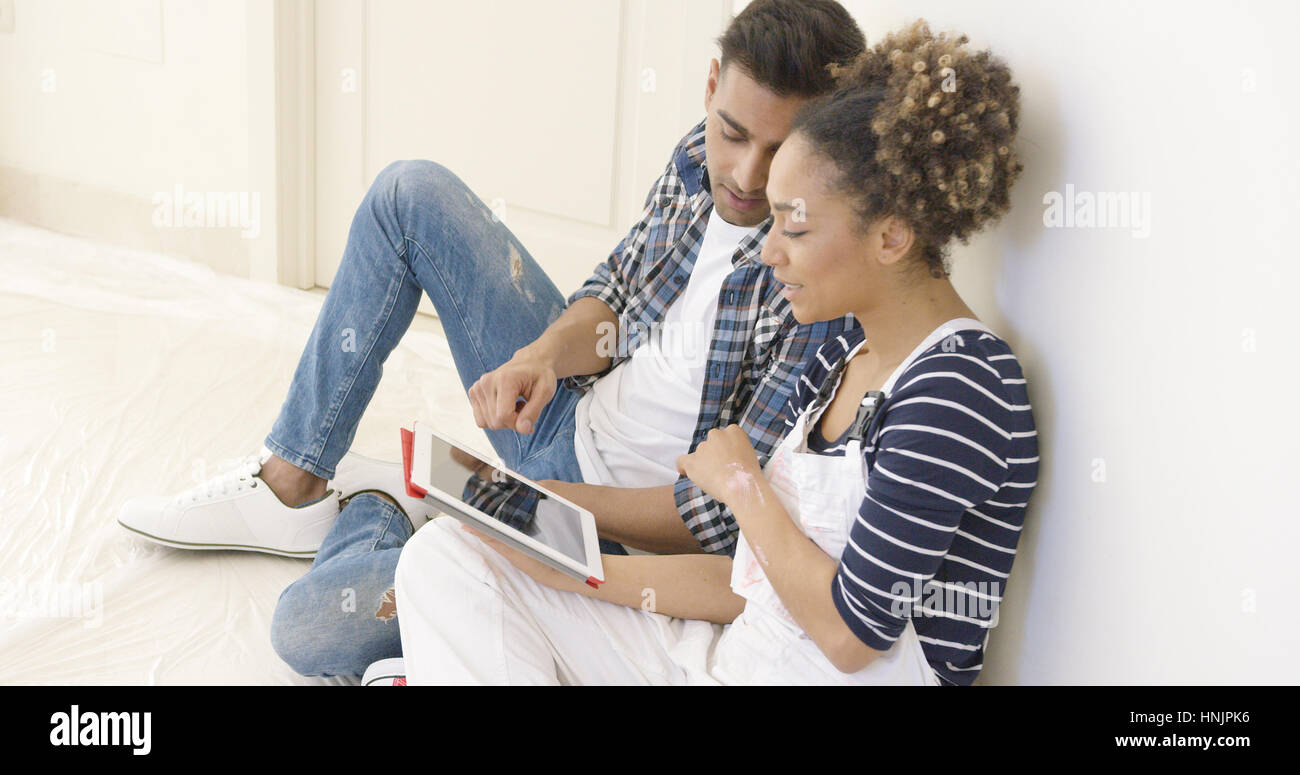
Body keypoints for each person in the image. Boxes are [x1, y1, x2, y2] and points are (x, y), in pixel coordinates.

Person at [114, 0, 868, 678]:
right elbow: (618, 297)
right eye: (733, 132)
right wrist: (544, 356)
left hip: (624, 525)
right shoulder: (698, 157)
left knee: (310, 629)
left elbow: (718, 518)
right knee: (407, 194)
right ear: (710, 87)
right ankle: (292, 478)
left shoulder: (819, 279)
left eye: (778, 152)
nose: (744, 172)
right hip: (569, 416)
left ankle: (382, 510)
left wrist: (531, 507)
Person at [393, 19, 1037, 685]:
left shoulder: (961, 388)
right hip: (725, 660)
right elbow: (745, 586)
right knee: (450, 556)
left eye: (796, 224)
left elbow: (853, 636)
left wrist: (742, 486)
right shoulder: (842, 364)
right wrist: (563, 559)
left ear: (892, 237)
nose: (769, 249)